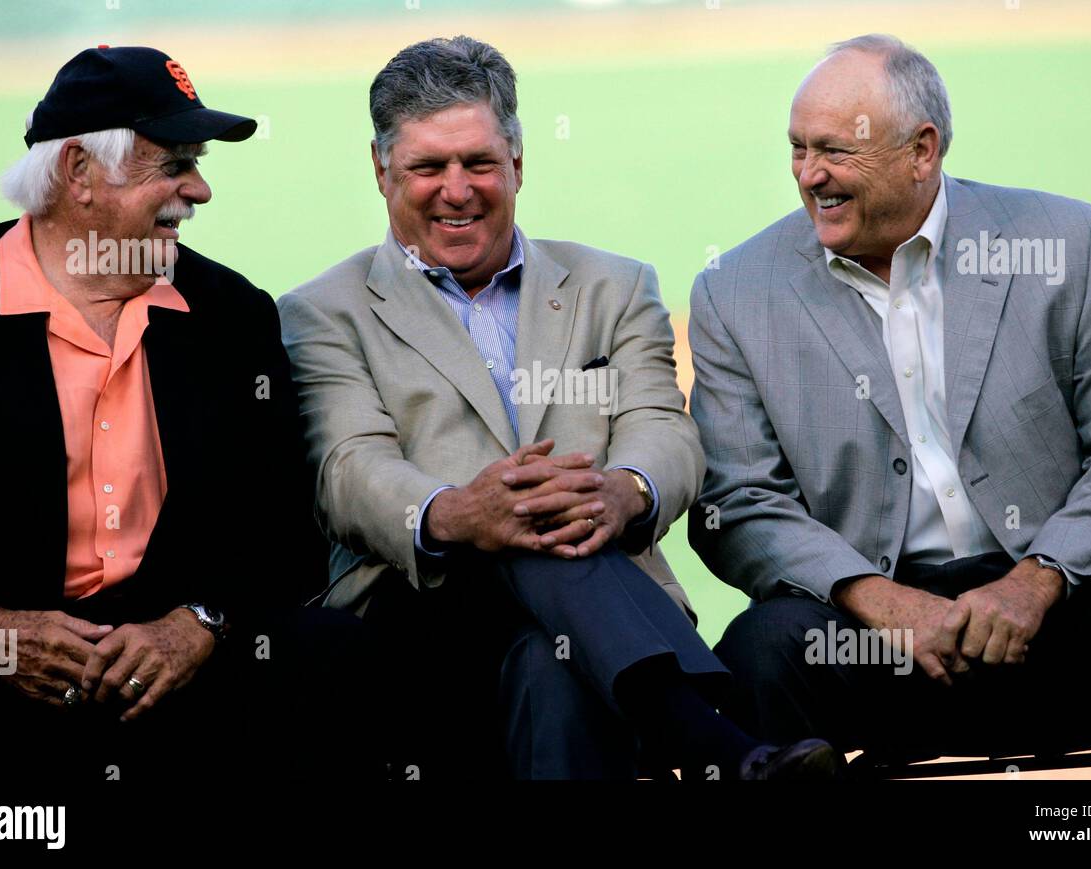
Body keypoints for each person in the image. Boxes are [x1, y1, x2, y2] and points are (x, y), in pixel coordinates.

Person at [278, 35, 838, 780]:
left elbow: (663, 431)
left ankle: (715, 748)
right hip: (417, 625)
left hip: (596, 632)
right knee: (520, 524)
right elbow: (349, 468)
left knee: (552, 662)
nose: (457, 188)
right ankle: (716, 748)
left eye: (479, 162)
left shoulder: (613, 286)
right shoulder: (322, 313)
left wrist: (624, 490)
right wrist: (457, 512)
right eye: (427, 167)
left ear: (518, 162)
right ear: (382, 171)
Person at [688, 33, 1091, 779]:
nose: (811, 176)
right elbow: (736, 502)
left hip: (1063, 597)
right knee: (758, 656)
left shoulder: (1069, 244)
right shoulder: (735, 291)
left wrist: (1036, 579)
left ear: (922, 150)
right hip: (868, 626)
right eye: (798, 149)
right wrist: (878, 600)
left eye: (835, 151)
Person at [0, 45, 377, 785]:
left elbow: (285, 523)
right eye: (174, 165)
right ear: (78, 174)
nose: (200, 190)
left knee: (329, 648)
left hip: (167, 660)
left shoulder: (231, 315)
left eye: (196, 163)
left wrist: (199, 621)